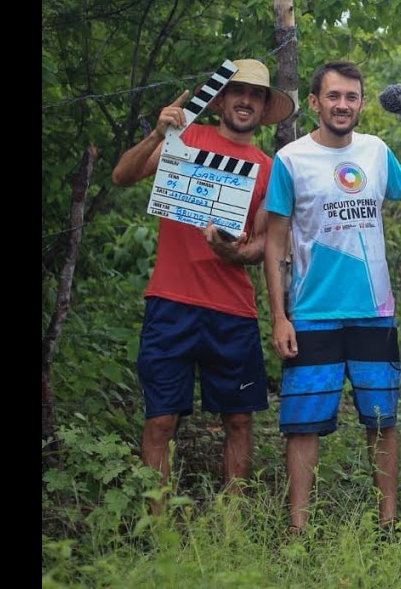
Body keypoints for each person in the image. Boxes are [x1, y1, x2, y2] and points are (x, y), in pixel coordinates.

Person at [111, 58, 294, 507]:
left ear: (265, 105)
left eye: (256, 95)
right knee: (161, 421)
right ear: (221, 100)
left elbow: (262, 245)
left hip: (232, 310)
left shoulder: (269, 169)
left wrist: (234, 251)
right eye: (238, 92)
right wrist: (157, 134)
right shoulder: (187, 137)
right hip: (170, 301)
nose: (246, 101)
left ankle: (232, 531)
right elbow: (122, 175)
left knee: (238, 421)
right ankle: (160, 531)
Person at [263, 60, 401, 533]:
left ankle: (387, 522)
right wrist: (279, 317)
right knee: (303, 425)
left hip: (375, 309)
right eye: (333, 96)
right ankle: (298, 528)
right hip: (311, 312)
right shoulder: (291, 159)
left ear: (362, 103)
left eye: (351, 97)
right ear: (314, 102)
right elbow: (275, 242)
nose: (342, 105)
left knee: (382, 419)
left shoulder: (377, 151)